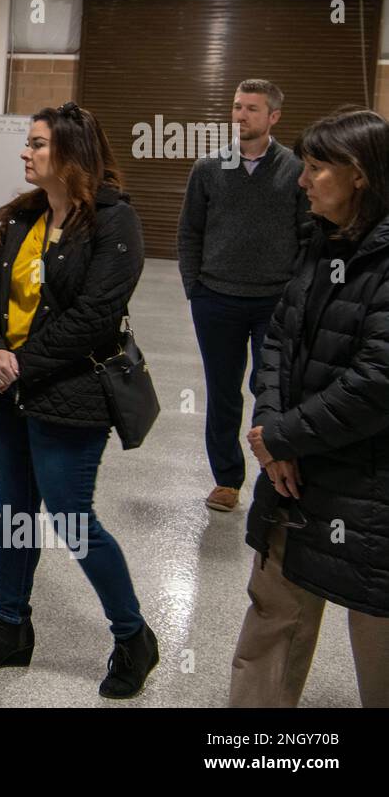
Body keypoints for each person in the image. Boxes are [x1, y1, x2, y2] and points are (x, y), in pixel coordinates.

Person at [0, 102, 158, 699]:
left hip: (66, 393)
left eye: (38, 144)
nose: (26, 152)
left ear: (73, 153)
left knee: (72, 519)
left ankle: (133, 636)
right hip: (6, 394)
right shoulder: (22, 217)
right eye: (28, 142)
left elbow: (95, 318)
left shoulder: (113, 222)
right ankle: (12, 627)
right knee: (15, 514)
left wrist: (19, 364)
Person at [230, 108, 389, 708]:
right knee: (271, 623)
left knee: (378, 647)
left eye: (317, 168)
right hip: (293, 483)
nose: (301, 180)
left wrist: (286, 437)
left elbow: (378, 381)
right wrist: (273, 434)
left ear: (360, 177)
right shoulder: (318, 245)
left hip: (370, 495)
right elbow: (277, 342)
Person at [177, 79, 309, 512]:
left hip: (274, 300)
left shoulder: (295, 169)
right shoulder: (209, 168)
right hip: (216, 298)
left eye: (252, 108)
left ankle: (272, 473)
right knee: (223, 390)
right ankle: (227, 480)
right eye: (237, 107)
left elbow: (308, 236)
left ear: (273, 116)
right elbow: (190, 231)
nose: (241, 115)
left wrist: (296, 292)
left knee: (269, 388)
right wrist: (193, 286)